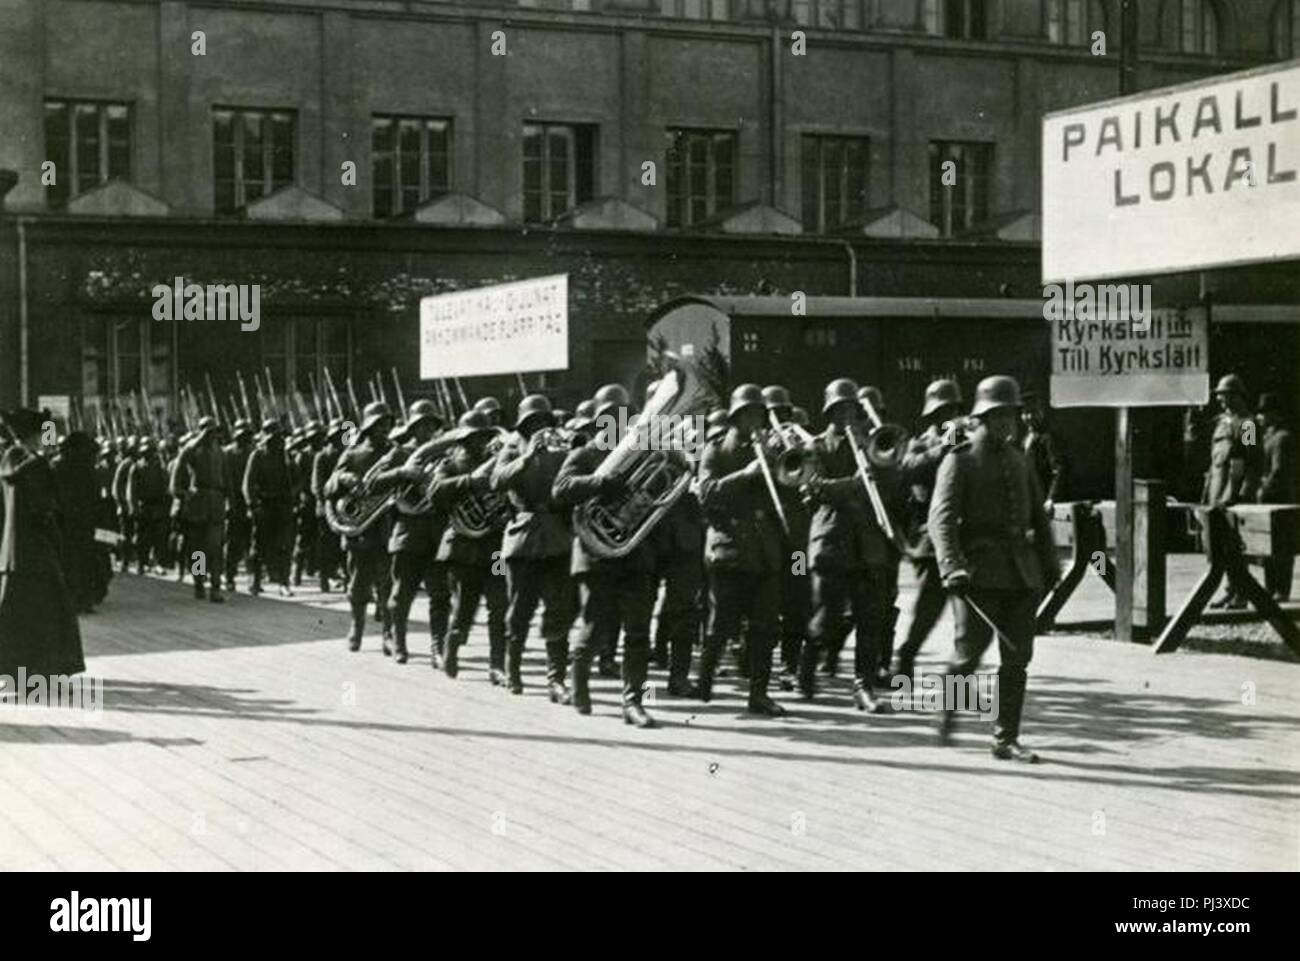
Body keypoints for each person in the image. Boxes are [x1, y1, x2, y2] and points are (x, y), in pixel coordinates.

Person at [930, 375, 1057, 762]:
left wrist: (1050, 568)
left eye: (1012, 415)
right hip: (978, 573)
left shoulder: (1020, 458)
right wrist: (951, 566)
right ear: (982, 417)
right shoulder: (961, 457)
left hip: (1021, 572)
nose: (1007, 423)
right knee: (968, 655)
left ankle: (1006, 738)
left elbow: (1038, 516)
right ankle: (947, 713)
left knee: (1017, 657)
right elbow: (942, 518)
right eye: (998, 415)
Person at [553, 383, 658, 726]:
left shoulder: (642, 452)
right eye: (611, 417)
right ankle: (579, 681)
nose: (619, 422)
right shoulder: (584, 454)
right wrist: (599, 481)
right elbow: (560, 490)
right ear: (600, 421)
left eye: (624, 417)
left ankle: (634, 702)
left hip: (633, 552)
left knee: (639, 630)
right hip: (596, 552)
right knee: (595, 624)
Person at [695, 384, 786, 716]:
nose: (755, 421)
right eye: (748, 415)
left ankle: (759, 694)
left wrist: (778, 463)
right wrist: (745, 475)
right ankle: (703, 683)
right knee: (721, 625)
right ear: (735, 417)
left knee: (765, 627)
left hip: (765, 552)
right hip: (729, 550)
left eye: (759, 415)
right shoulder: (716, 450)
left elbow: (789, 491)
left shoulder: (771, 450)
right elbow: (706, 493)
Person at [804, 378, 891, 711]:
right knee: (825, 620)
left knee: (870, 619)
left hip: (867, 545)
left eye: (852, 409)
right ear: (830, 411)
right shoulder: (815, 446)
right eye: (840, 409)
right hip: (830, 541)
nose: (847, 414)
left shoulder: (870, 443)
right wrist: (856, 483)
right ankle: (806, 671)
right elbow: (815, 486)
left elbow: (890, 484)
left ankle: (863, 686)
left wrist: (876, 462)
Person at [489, 394, 575, 697]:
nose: (538, 427)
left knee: (558, 611)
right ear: (523, 425)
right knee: (519, 611)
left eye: (543, 421)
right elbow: (496, 481)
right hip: (523, 537)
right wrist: (526, 459)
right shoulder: (511, 447)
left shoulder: (561, 448)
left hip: (557, 537)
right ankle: (513, 672)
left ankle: (557, 679)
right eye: (532, 422)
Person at [0, 408, 86, 680]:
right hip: (36, 547)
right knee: (45, 610)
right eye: (40, 433)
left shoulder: (11, 460)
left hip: (15, 550)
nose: (43, 439)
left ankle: (23, 671)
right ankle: (42, 670)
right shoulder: (31, 464)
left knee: (19, 611)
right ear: (32, 435)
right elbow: (43, 508)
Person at [893, 378, 964, 680]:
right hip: (930, 539)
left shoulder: (967, 439)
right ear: (933, 415)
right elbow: (909, 468)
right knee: (928, 611)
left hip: (964, 538)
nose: (948, 416)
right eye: (943, 412)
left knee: (967, 616)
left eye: (952, 410)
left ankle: (961, 676)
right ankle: (907, 652)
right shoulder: (920, 442)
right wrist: (943, 447)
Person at [431, 410, 509, 681]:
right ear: (463, 439)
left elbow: (510, 494)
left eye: (483, 437)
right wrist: (469, 482)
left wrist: (504, 515)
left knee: (500, 607)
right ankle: (451, 649)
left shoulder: (497, 462)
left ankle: (497, 665)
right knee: (464, 606)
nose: (479, 442)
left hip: (496, 546)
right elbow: (435, 493)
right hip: (463, 547)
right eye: (474, 437)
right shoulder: (449, 464)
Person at [377, 400, 447, 666]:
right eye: (421, 425)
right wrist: (403, 473)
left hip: (437, 531)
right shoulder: (398, 454)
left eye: (431, 425)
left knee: (440, 594)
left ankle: (437, 648)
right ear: (412, 427)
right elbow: (373, 483)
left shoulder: (445, 454)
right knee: (402, 591)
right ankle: (399, 642)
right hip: (408, 529)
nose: (426, 430)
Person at [326, 402, 399, 652]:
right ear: (369, 427)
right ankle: (356, 628)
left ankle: (389, 633)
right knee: (359, 583)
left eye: (388, 425)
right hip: (360, 529)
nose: (385, 430)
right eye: (380, 425)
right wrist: (345, 478)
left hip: (388, 526)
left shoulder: (396, 453)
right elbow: (329, 488)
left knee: (388, 583)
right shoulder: (352, 454)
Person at [762, 384, 812, 694]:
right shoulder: (756, 445)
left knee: (796, 601)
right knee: (765, 603)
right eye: (772, 414)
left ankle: (790, 666)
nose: (779, 419)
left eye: (783, 413)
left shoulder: (800, 442)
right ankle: (756, 663)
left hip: (797, 541)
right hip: (767, 538)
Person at [1203, 374, 1262, 610]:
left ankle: (1241, 594)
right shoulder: (1222, 423)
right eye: (1219, 396)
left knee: (1234, 546)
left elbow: (1252, 460)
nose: (1221, 401)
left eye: (1225, 396)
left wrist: (1242, 494)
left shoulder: (1248, 424)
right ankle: (1230, 590)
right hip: (1217, 491)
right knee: (1218, 545)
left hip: (1234, 494)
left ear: (1238, 396)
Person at [170, 417, 228, 602]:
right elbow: (176, 480)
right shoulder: (191, 450)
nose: (212, 436)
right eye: (208, 432)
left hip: (216, 503)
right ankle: (199, 583)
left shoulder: (220, 451)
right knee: (198, 549)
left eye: (214, 432)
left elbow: (228, 479)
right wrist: (184, 494)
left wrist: (231, 501)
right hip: (197, 504)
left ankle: (216, 587)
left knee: (215, 547)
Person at [243, 419, 298, 596]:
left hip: (282, 505)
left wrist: (293, 495)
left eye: (279, 437)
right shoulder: (258, 456)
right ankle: (255, 581)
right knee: (258, 546)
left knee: (284, 545)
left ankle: (284, 582)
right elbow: (248, 484)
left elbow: (298, 479)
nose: (277, 441)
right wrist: (253, 505)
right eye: (273, 438)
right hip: (264, 505)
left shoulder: (286, 456)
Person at [50, 431, 100, 613]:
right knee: (76, 561)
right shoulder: (67, 467)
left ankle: (80, 598)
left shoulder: (64, 466)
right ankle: (79, 598)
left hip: (76, 521)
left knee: (78, 561)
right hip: (71, 521)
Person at [1257, 393, 1295, 600]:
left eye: (1264, 413)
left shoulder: (1282, 438)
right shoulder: (1260, 435)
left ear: (1275, 415)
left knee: (1281, 547)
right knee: (1266, 546)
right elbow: (1247, 451)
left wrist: (1261, 489)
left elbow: (1278, 471)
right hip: (1264, 500)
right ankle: (1269, 587)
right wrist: (1248, 425)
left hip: (1278, 499)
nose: (1260, 417)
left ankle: (1282, 589)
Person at [127, 437, 171, 574]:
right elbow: (132, 489)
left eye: (151, 451)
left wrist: (166, 505)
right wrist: (133, 507)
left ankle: (159, 563)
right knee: (142, 537)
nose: (149, 454)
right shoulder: (136, 467)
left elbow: (165, 485)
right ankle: (142, 563)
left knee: (159, 537)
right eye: (147, 451)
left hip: (157, 506)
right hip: (143, 506)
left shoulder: (159, 466)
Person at [312, 420, 347, 593]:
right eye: (337, 436)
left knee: (345, 545)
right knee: (326, 546)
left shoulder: (347, 454)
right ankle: (324, 579)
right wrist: (322, 501)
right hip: (328, 505)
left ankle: (348, 580)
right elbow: (317, 484)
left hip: (346, 505)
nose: (340, 439)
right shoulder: (322, 456)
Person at [222, 419, 255, 592]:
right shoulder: (227, 453)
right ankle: (229, 577)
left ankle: (252, 578)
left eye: (248, 435)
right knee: (232, 543)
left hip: (250, 503)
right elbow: (223, 479)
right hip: (233, 502)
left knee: (251, 542)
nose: (245, 438)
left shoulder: (253, 453)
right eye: (243, 435)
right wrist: (228, 502)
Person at [1020, 391, 1068, 507]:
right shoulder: (1025, 438)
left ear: (1042, 412)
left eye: (1034, 412)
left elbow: (1059, 470)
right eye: (1026, 413)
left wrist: (1051, 498)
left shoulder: (1048, 438)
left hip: (1043, 502)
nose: (1029, 417)